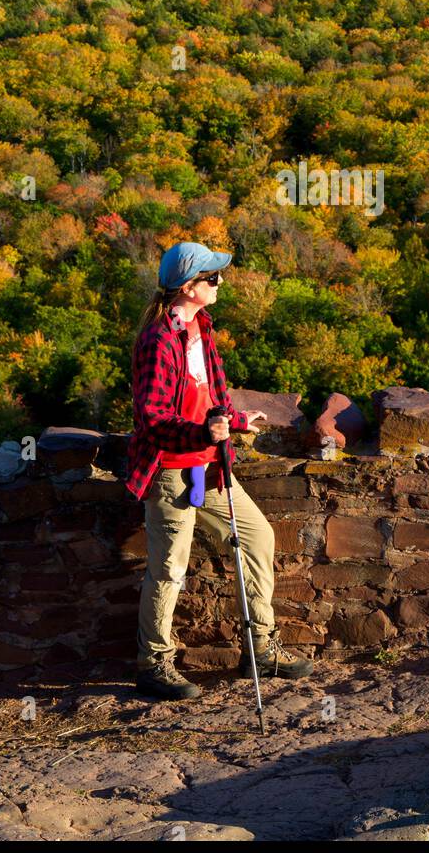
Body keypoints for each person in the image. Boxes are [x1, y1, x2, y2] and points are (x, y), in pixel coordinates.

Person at [126, 240, 315, 700]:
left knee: (257, 536)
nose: (220, 283)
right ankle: (153, 663)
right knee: (170, 567)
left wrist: (232, 421)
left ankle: (260, 646)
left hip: (208, 469)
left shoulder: (200, 329)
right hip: (172, 470)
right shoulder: (158, 341)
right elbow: (152, 418)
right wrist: (202, 435)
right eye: (212, 278)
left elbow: (210, 397)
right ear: (188, 286)